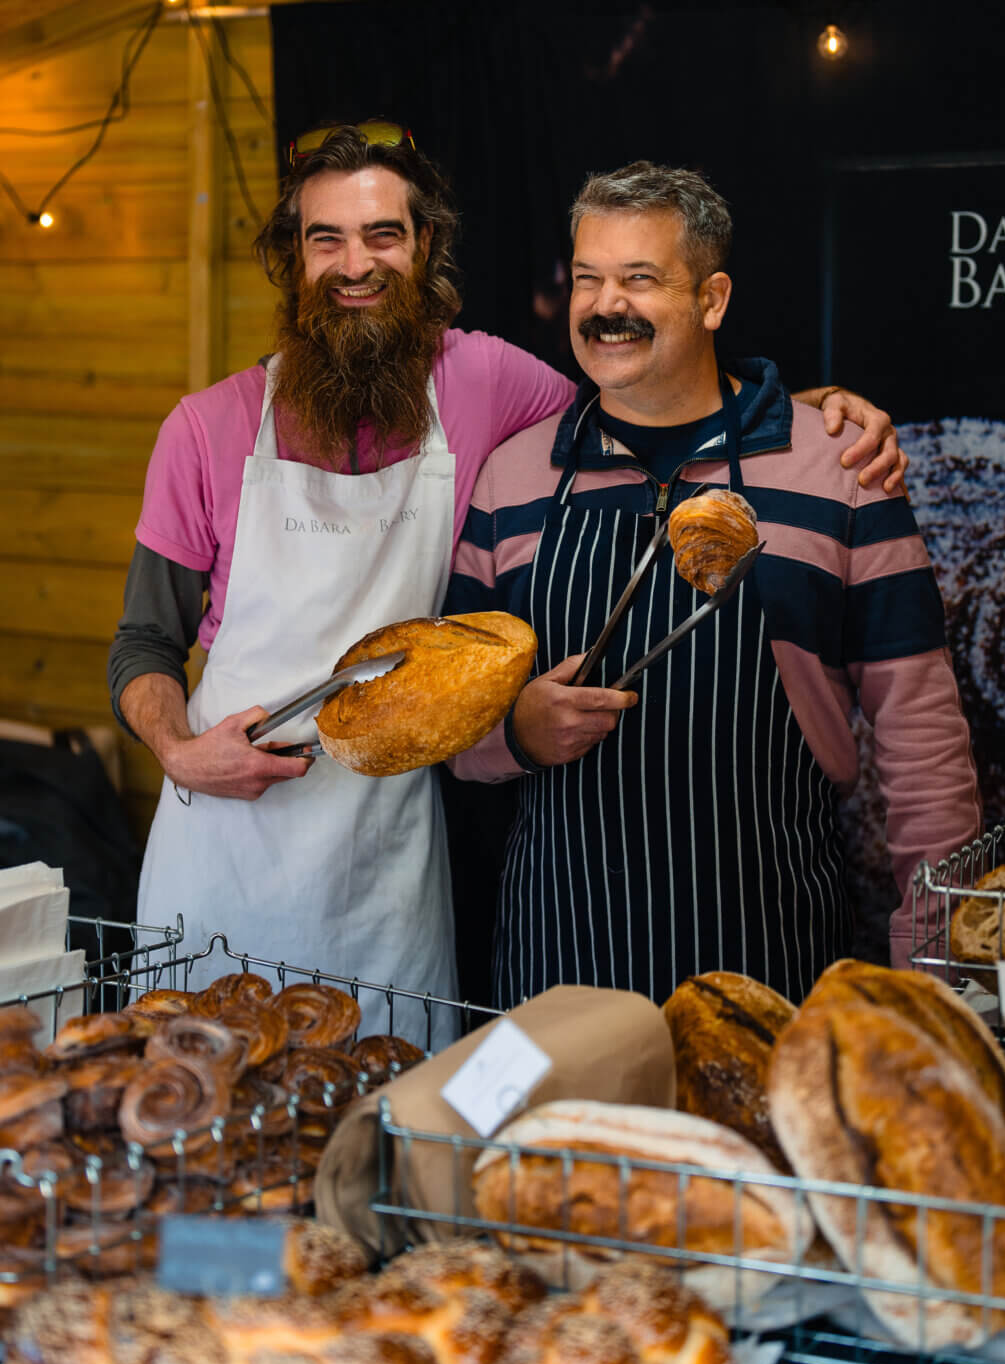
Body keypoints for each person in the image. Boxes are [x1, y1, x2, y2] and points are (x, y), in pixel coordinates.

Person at [108, 125, 908, 1035]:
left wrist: (800, 418)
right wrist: (178, 750)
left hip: (390, 861)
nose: (353, 265)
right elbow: (143, 641)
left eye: (383, 235)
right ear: (293, 260)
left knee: (388, 1133)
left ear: (424, 248)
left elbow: (651, 396)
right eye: (323, 238)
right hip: (223, 848)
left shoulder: (483, 380)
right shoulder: (206, 427)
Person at [446, 160, 981, 1011]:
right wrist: (514, 733)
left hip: (767, 954)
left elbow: (920, 735)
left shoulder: (840, 468)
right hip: (559, 959)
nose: (604, 305)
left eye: (639, 279)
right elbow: (447, 722)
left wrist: (943, 968)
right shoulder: (512, 480)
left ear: (713, 300)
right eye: (588, 279)